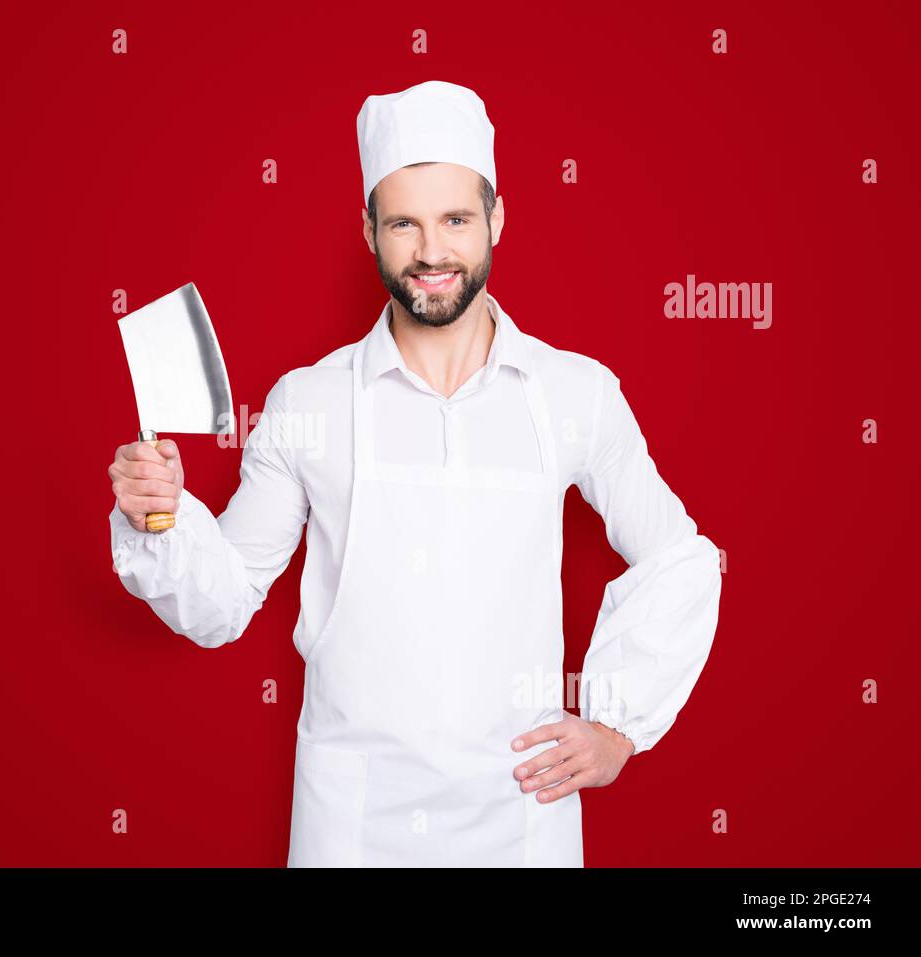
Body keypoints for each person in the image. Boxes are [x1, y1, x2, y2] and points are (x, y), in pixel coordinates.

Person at [106, 80, 722, 867]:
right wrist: (158, 515)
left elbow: (680, 555)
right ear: (368, 230)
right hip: (354, 824)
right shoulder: (308, 402)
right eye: (404, 223)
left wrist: (615, 729)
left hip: (520, 813)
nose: (432, 252)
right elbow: (222, 600)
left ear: (496, 219)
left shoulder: (578, 394)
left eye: (456, 219)